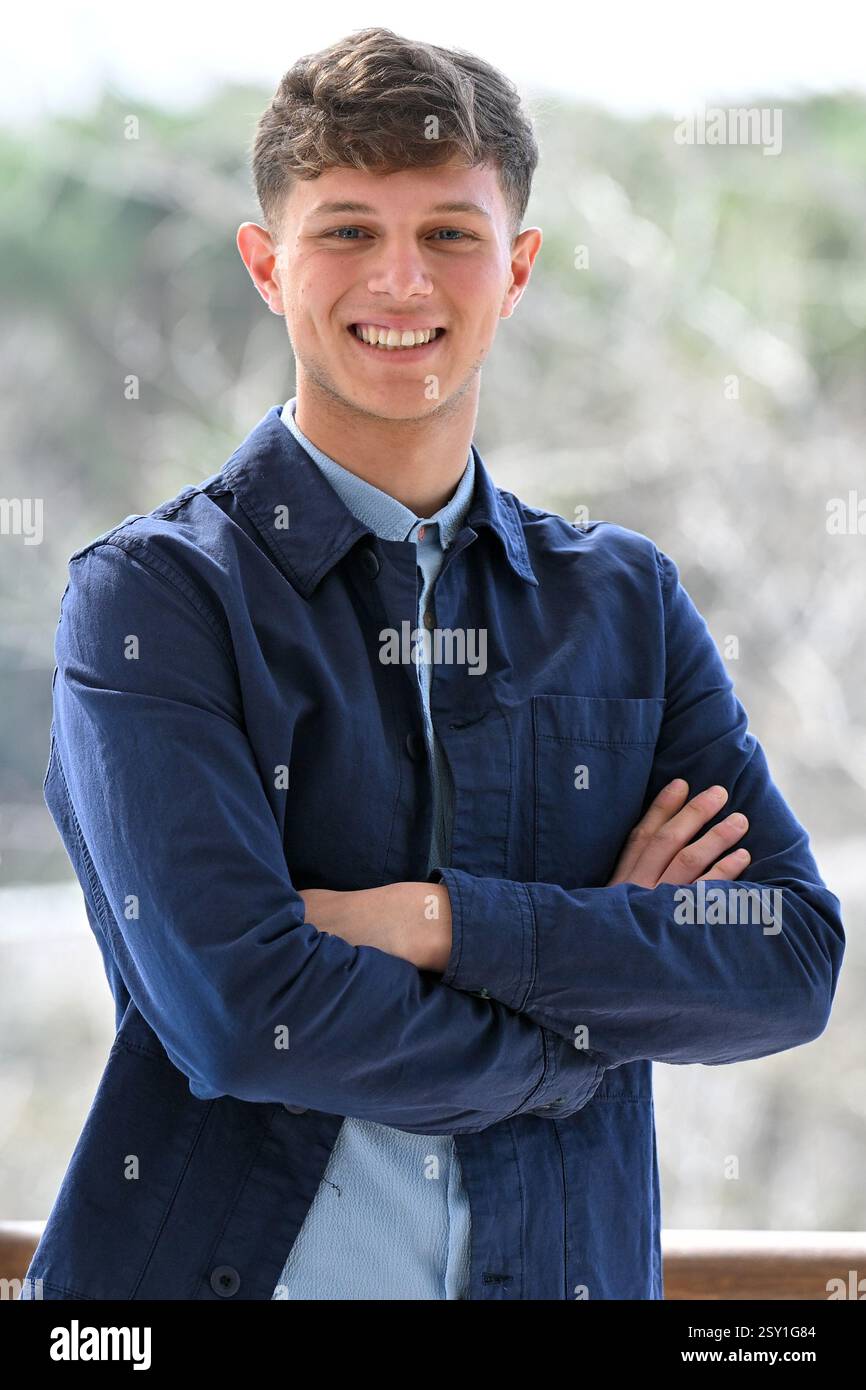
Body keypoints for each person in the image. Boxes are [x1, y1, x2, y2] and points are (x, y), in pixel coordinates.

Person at [21, 26, 844, 1302]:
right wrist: (579, 1023)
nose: (399, 281)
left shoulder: (622, 600)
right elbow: (241, 1012)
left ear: (513, 270)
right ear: (265, 264)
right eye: (346, 229)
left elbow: (783, 961)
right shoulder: (154, 599)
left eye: (448, 234)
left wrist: (431, 922)